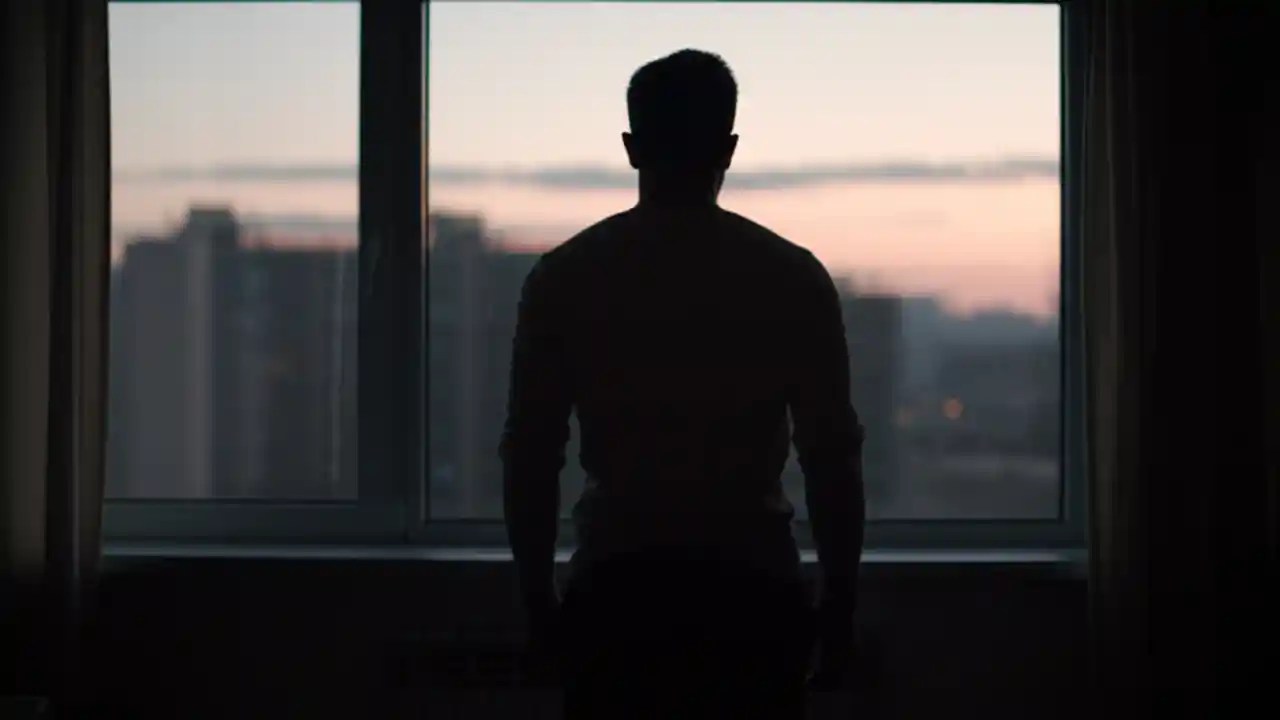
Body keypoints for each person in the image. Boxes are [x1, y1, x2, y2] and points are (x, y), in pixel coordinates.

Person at [500, 48, 866, 719]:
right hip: (751, 592)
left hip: (617, 590)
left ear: (632, 148)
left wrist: (537, 603)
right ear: (728, 149)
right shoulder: (790, 276)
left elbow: (531, 454)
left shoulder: (566, 277)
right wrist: (837, 609)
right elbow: (830, 457)